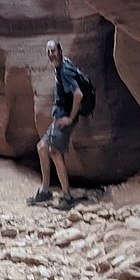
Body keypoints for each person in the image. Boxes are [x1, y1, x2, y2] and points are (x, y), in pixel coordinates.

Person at [27, 38, 83, 209]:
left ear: (60, 51)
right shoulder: (60, 66)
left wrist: (70, 119)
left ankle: (67, 196)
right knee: (42, 147)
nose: (51, 54)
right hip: (58, 117)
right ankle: (45, 190)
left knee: (55, 152)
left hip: (63, 120)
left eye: (53, 50)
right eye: (49, 51)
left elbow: (78, 94)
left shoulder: (64, 70)